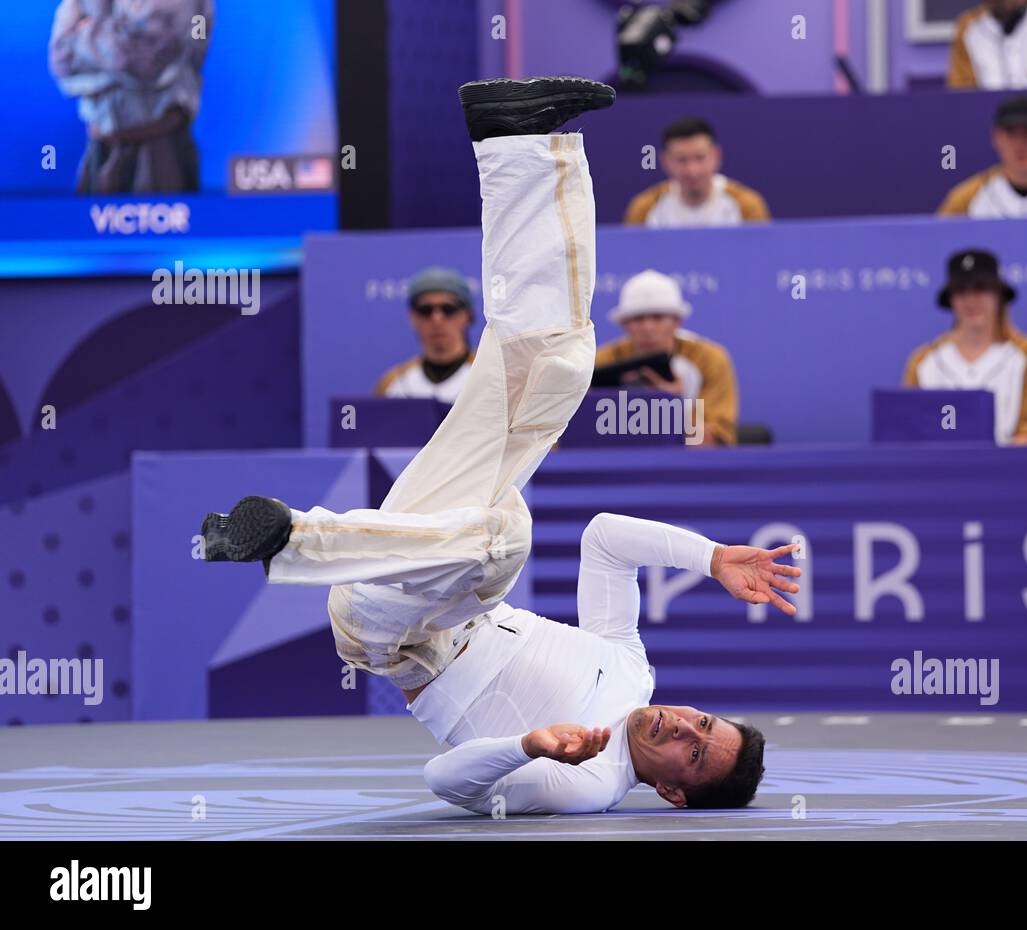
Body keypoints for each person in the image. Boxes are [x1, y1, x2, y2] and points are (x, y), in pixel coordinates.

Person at [197, 76, 799, 815]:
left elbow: (442, 783)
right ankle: (516, 138)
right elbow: (606, 540)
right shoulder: (631, 670)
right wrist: (711, 557)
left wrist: (527, 748)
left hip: (394, 632)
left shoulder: (586, 783)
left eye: (693, 752)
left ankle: (287, 542)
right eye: (702, 721)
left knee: (500, 539)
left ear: (674, 791)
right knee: (557, 363)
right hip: (440, 565)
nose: (682, 726)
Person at [49, 0, 212, 194]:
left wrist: (86, 31)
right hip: (100, 148)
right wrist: (115, 48)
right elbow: (61, 61)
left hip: (159, 147)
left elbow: (146, 60)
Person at [904, 248, 1027, 445]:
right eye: (961, 291)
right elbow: (909, 430)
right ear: (951, 299)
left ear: (999, 295)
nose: (971, 300)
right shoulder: (924, 360)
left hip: (1008, 469)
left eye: (981, 289)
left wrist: (989, 463)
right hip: (938, 469)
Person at [594, 270, 739, 446]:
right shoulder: (600, 362)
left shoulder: (711, 360)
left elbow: (713, 445)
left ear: (678, 321)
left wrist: (674, 406)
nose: (648, 327)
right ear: (624, 324)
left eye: (658, 317)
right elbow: (566, 439)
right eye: (638, 319)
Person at [624, 117, 770, 227]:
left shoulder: (747, 205)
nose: (692, 170)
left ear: (717, 155)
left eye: (700, 158)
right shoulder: (644, 208)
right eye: (681, 160)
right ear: (665, 161)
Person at [375, 267, 476, 401]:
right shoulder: (392, 385)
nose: (437, 319)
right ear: (412, 317)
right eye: (425, 310)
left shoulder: (491, 378)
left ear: (467, 315)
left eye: (448, 309)